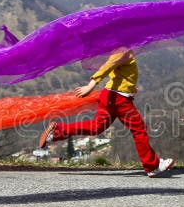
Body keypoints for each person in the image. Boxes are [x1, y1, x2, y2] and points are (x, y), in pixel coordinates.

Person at [39, 49, 174, 177]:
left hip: (112, 96)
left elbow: (121, 74)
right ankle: (152, 166)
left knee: (96, 127)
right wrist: (91, 86)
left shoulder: (122, 50)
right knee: (139, 129)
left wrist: (130, 87)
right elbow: (107, 66)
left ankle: (56, 132)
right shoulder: (122, 50)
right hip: (118, 99)